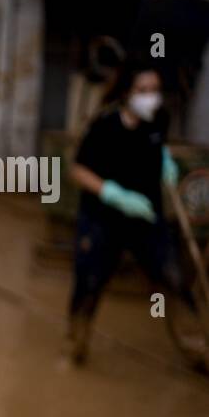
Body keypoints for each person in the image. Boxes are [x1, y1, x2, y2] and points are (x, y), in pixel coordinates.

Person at [66, 64, 184, 364]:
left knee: (172, 275)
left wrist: (166, 160)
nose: (151, 98)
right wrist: (112, 194)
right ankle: (78, 337)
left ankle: (194, 341)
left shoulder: (159, 119)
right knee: (91, 279)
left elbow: (158, 147)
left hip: (145, 214)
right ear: (126, 94)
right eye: (143, 91)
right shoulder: (104, 126)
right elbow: (77, 170)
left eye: (155, 90)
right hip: (103, 215)